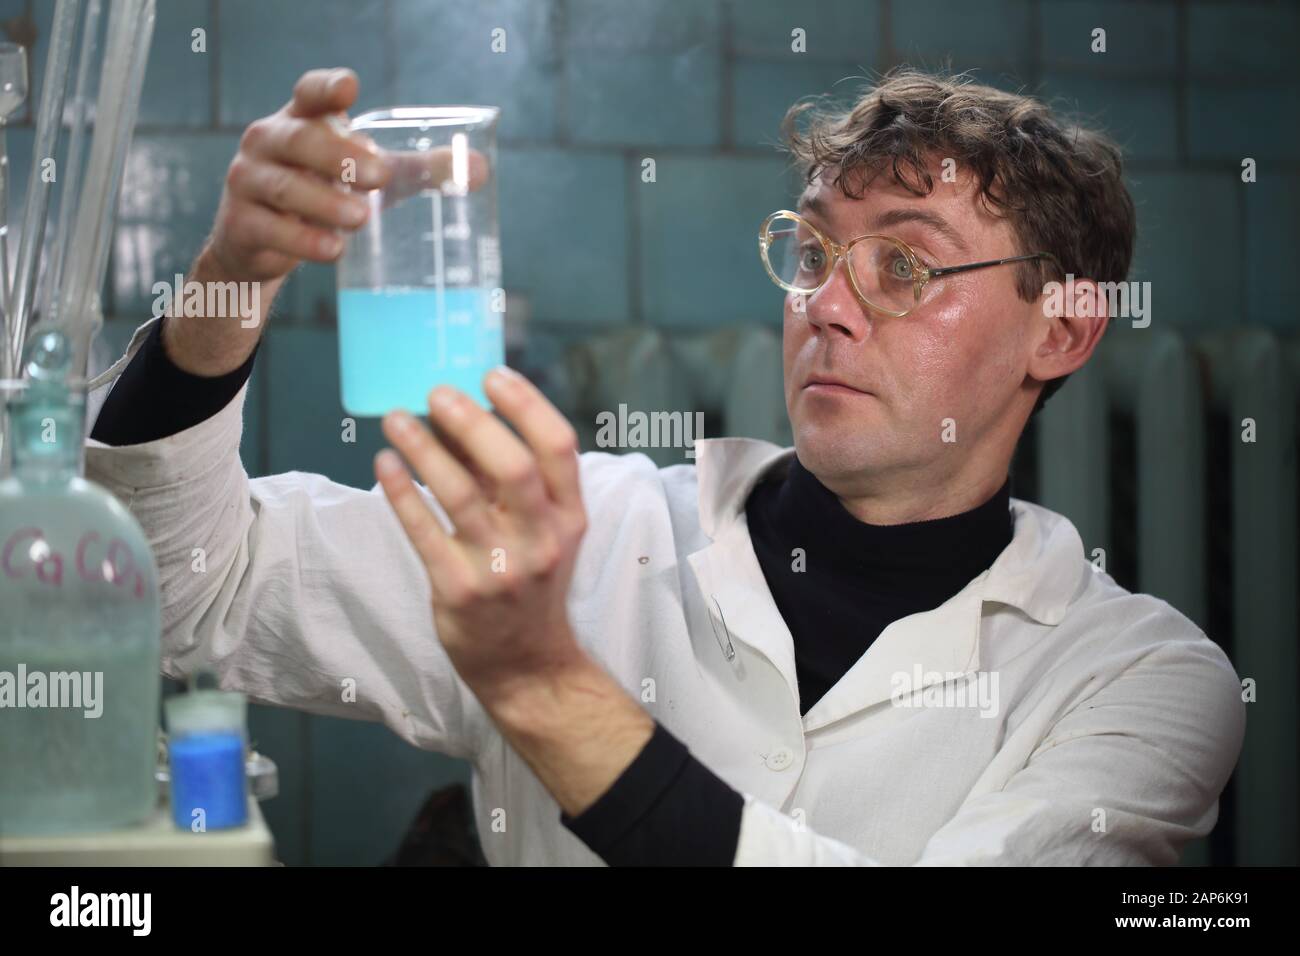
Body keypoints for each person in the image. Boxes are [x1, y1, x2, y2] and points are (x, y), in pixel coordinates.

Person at [85, 67, 1244, 866]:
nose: (826, 305)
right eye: (812, 250)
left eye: (903, 266)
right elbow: (189, 582)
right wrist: (229, 281)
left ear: (1064, 328)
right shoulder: (581, 531)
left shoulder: (1136, 678)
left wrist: (541, 681)